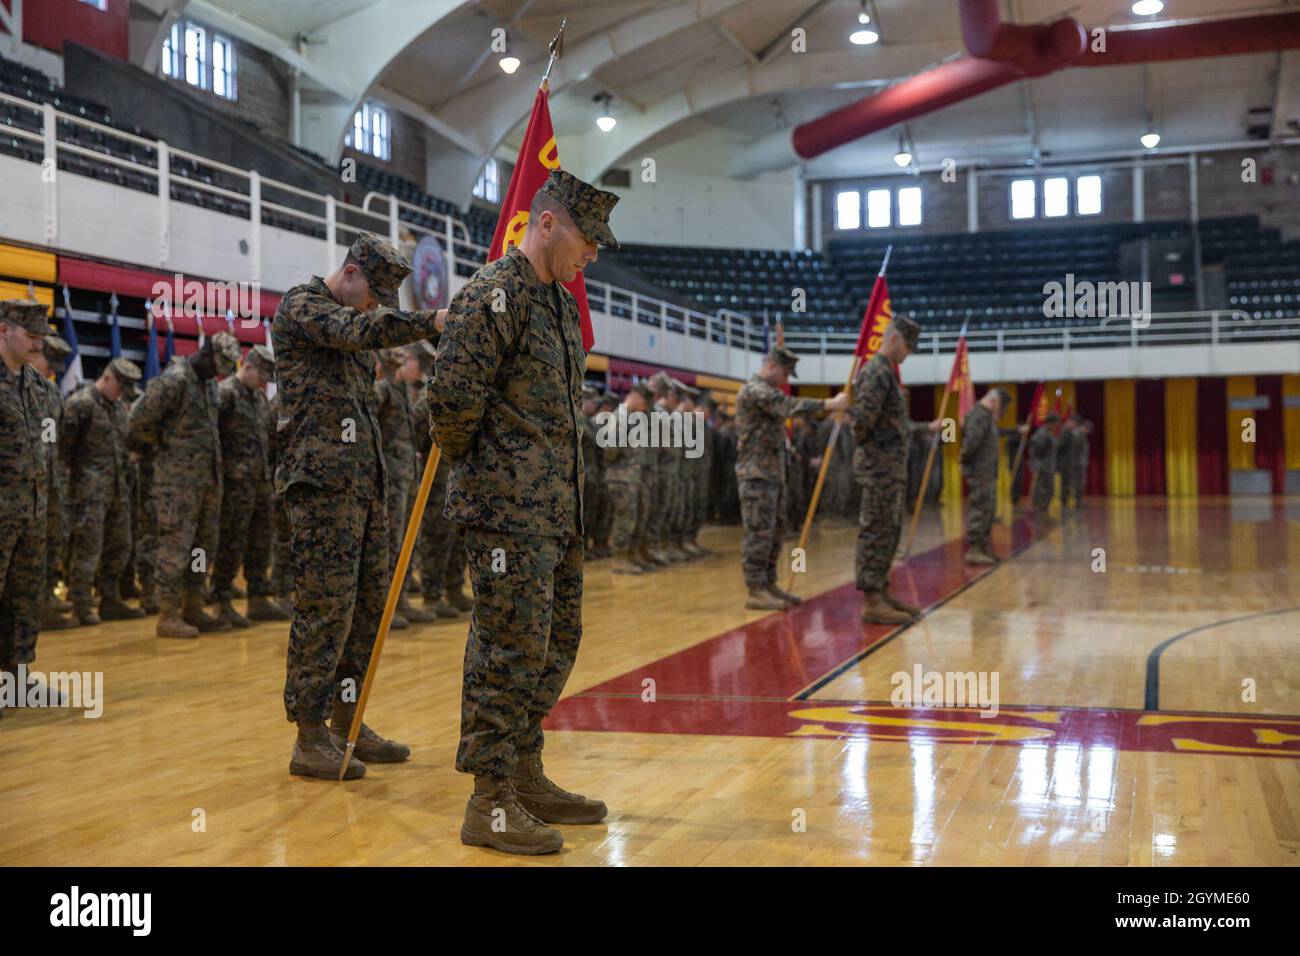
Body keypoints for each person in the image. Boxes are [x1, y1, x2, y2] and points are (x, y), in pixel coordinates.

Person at [428, 168, 619, 855]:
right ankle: (489, 798)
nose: (592, 253)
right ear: (546, 223)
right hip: (507, 515)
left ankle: (523, 771)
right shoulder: (493, 296)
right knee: (507, 648)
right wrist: (496, 477)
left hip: (558, 513)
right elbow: (449, 409)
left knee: (553, 643)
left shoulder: (560, 305)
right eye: (586, 238)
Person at [272, 235, 447, 780]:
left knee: (370, 607)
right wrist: (430, 320)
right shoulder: (302, 307)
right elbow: (359, 329)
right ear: (349, 274)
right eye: (372, 294)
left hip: (362, 489)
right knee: (325, 609)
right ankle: (308, 734)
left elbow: (366, 330)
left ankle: (348, 719)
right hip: (321, 487)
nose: (374, 307)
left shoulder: (354, 320)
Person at [128, 333, 238, 638]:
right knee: (175, 548)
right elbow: (137, 420)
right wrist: (160, 447)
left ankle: (193, 605)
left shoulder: (208, 383)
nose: (219, 373)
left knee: (202, 549)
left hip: (206, 482)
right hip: (176, 484)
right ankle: (168, 613)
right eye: (219, 365)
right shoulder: (173, 380)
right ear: (205, 354)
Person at [733, 346, 847, 611]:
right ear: (772, 366)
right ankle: (755, 588)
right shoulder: (753, 390)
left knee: (775, 533)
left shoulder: (768, 391)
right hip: (756, 475)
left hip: (772, 474)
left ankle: (769, 584)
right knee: (759, 533)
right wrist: (828, 404)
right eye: (785, 373)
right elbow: (785, 405)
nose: (786, 380)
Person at [849, 317, 933, 624]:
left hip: (890, 469)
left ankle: (882, 591)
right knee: (875, 531)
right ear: (895, 339)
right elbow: (860, 424)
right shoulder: (876, 372)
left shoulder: (887, 374)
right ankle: (871, 600)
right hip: (878, 469)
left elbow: (893, 424)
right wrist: (880, 451)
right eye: (908, 346)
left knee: (888, 531)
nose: (908, 354)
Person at [60, 357, 145, 625]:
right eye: (120, 387)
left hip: (118, 490)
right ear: (107, 378)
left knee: (120, 545)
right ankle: (81, 603)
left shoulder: (118, 407)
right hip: (89, 493)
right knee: (87, 549)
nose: (122, 395)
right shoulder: (80, 404)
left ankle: (110, 598)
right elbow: (63, 450)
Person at [0, 300, 54, 716]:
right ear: (4, 330)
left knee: (26, 595)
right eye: (30, 335)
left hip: (32, 511)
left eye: (41, 336)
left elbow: (48, 450)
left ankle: (15, 678)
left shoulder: (39, 388)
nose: (38, 343)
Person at [212, 344, 287, 627]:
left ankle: (258, 597)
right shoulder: (226, 394)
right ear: (248, 366)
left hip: (258, 482)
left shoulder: (257, 398)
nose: (265, 383)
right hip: (234, 483)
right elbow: (212, 435)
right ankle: (221, 599)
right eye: (262, 376)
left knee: (260, 541)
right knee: (231, 541)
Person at [28, 334, 74, 630]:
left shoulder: (51, 391)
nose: (52, 369)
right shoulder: (17, 387)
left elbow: (53, 439)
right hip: (24, 482)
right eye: (48, 362)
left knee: (52, 539)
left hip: (51, 479)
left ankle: (44, 599)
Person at [961, 387, 1015, 565]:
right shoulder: (979, 415)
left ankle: (983, 547)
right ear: (993, 401)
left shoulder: (986, 416)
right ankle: (974, 550)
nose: (1001, 413)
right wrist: (965, 462)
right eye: (1001, 408)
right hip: (979, 472)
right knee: (980, 509)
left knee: (988, 510)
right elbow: (970, 445)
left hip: (986, 472)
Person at [606, 383, 651, 574]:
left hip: (632, 477)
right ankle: (619, 559)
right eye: (645, 403)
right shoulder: (620, 417)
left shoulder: (632, 417)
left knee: (634, 517)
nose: (646, 408)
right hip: (621, 478)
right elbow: (610, 451)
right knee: (624, 519)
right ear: (637, 397)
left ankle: (631, 555)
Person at [1027, 412, 1060, 511]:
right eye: (1055, 423)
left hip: (1047, 464)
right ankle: (1041, 505)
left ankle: (1043, 505)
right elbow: (1037, 449)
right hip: (1043, 465)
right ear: (1050, 423)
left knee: (1046, 486)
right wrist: (1039, 463)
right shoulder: (1042, 433)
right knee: (1044, 486)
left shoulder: (1047, 433)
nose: (1056, 426)